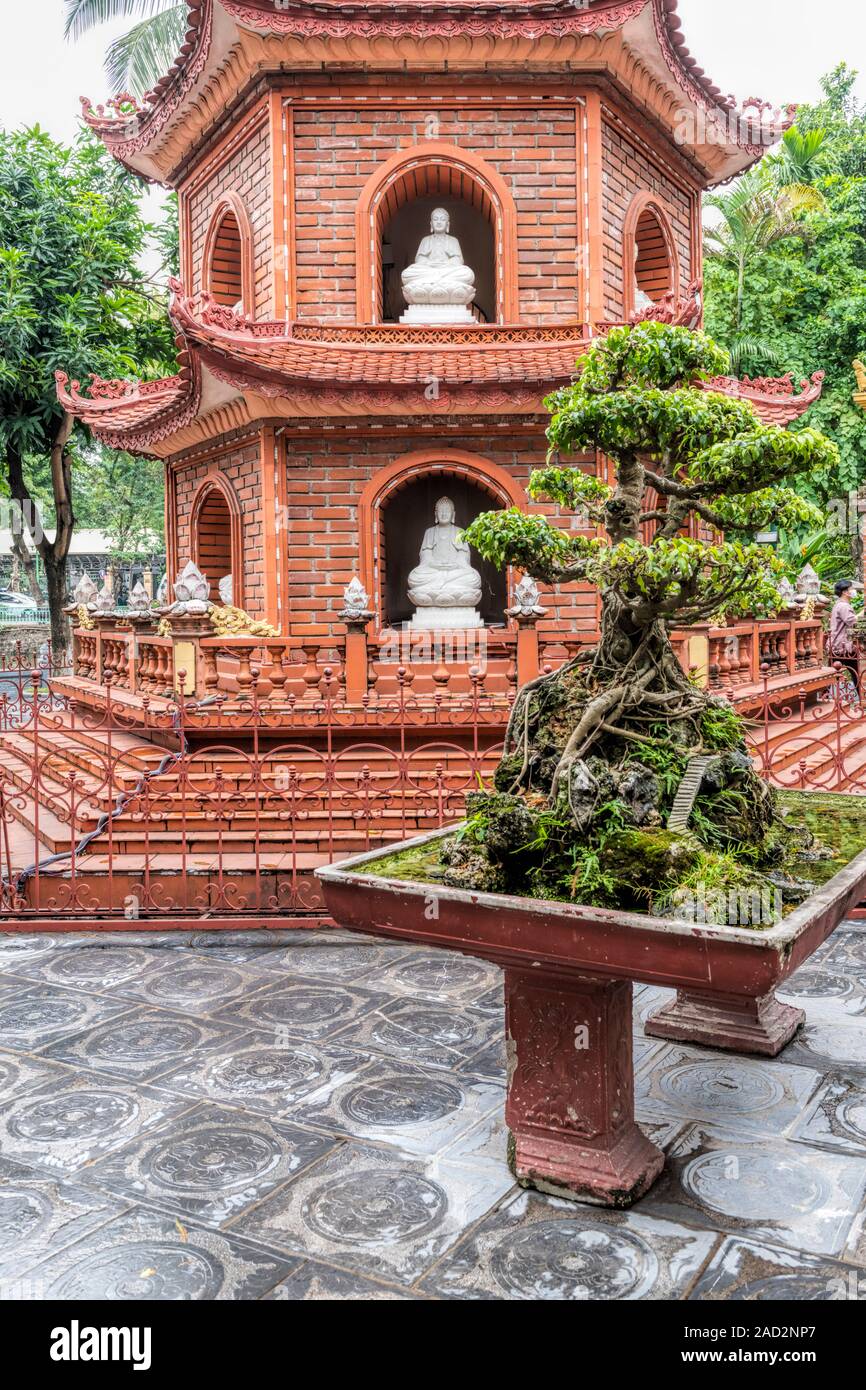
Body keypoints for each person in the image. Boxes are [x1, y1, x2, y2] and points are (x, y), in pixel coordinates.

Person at [829, 579, 860, 700]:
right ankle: (862, 700)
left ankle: (826, 697)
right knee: (856, 672)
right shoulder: (843, 606)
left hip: (837, 645)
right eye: (851, 589)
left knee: (831, 674)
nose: (853, 591)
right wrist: (863, 613)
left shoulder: (839, 604)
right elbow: (852, 621)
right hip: (843, 647)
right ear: (845, 592)